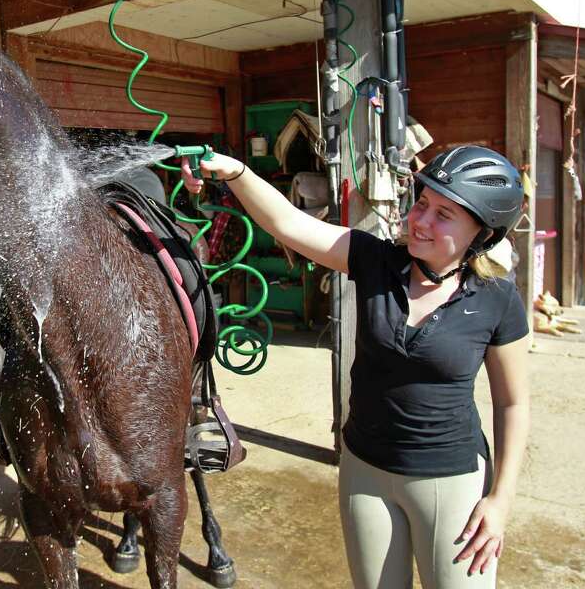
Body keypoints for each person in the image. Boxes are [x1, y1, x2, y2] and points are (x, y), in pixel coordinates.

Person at [182, 145, 530, 589]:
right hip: (365, 472)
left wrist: (500, 500)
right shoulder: (375, 261)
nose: (420, 221)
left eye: (444, 215)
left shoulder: (496, 300)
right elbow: (289, 224)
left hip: (452, 481)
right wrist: (235, 172)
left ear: (482, 233)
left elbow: (513, 403)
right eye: (422, 204)